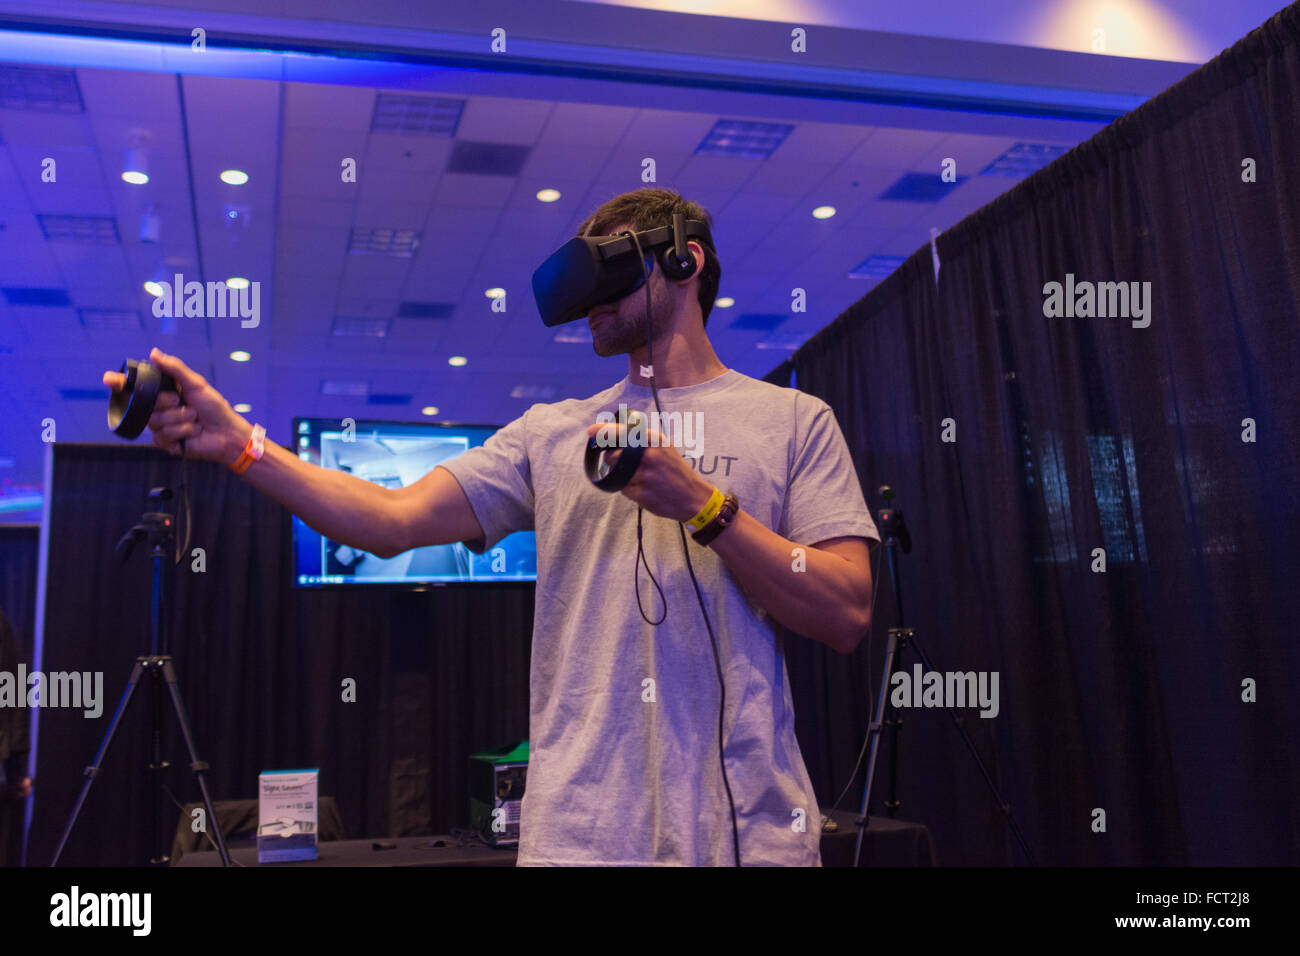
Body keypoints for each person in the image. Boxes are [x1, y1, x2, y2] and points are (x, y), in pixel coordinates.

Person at [104, 187, 878, 866]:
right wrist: (242, 443)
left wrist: (705, 507)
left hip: (749, 836)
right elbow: (388, 521)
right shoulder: (551, 434)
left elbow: (844, 612)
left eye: (605, 274)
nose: (587, 307)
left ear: (684, 261)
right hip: (580, 840)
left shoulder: (793, 421)